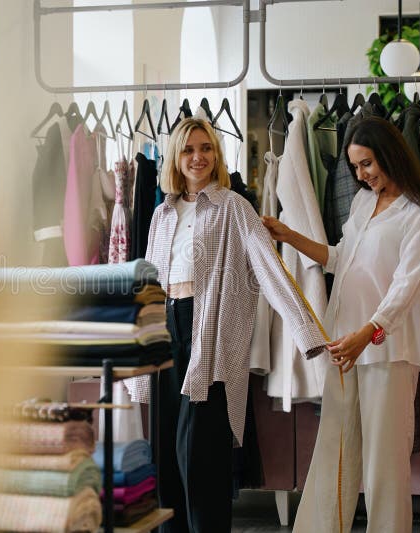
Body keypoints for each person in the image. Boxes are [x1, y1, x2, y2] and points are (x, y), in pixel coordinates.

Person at [125, 118, 326, 533]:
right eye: (188, 150)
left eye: (206, 148)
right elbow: (147, 282)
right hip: (163, 329)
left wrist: (307, 331)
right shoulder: (162, 213)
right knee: (165, 453)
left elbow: (270, 269)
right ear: (175, 158)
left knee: (200, 454)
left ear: (216, 155)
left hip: (208, 334)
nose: (198, 157)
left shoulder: (234, 207)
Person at [263, 116, 420, 533]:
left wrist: (369, 333)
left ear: (389, 155)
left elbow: (406, 288)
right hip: (346, 343)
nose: (361, 175)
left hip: (386, 349)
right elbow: (340, 257)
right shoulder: (364, 202)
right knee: (336, 447)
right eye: (355, 167)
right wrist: (289, 235)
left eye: (367, 164)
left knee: (385, 462)